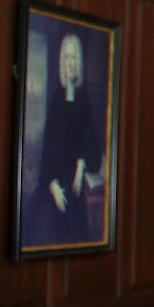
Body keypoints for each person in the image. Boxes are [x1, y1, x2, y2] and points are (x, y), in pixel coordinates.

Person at [32, 32, 103, 247]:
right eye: (67, 58)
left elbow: (90, 140)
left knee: (79, 227)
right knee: (44, 218)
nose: (70, 63)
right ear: (62, 62)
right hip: (55, 178)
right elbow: (49, 146)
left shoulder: (84, 99)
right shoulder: (56, 99)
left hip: (76, 177)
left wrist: (81, 166)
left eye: (74, 58)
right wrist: (52, 185)